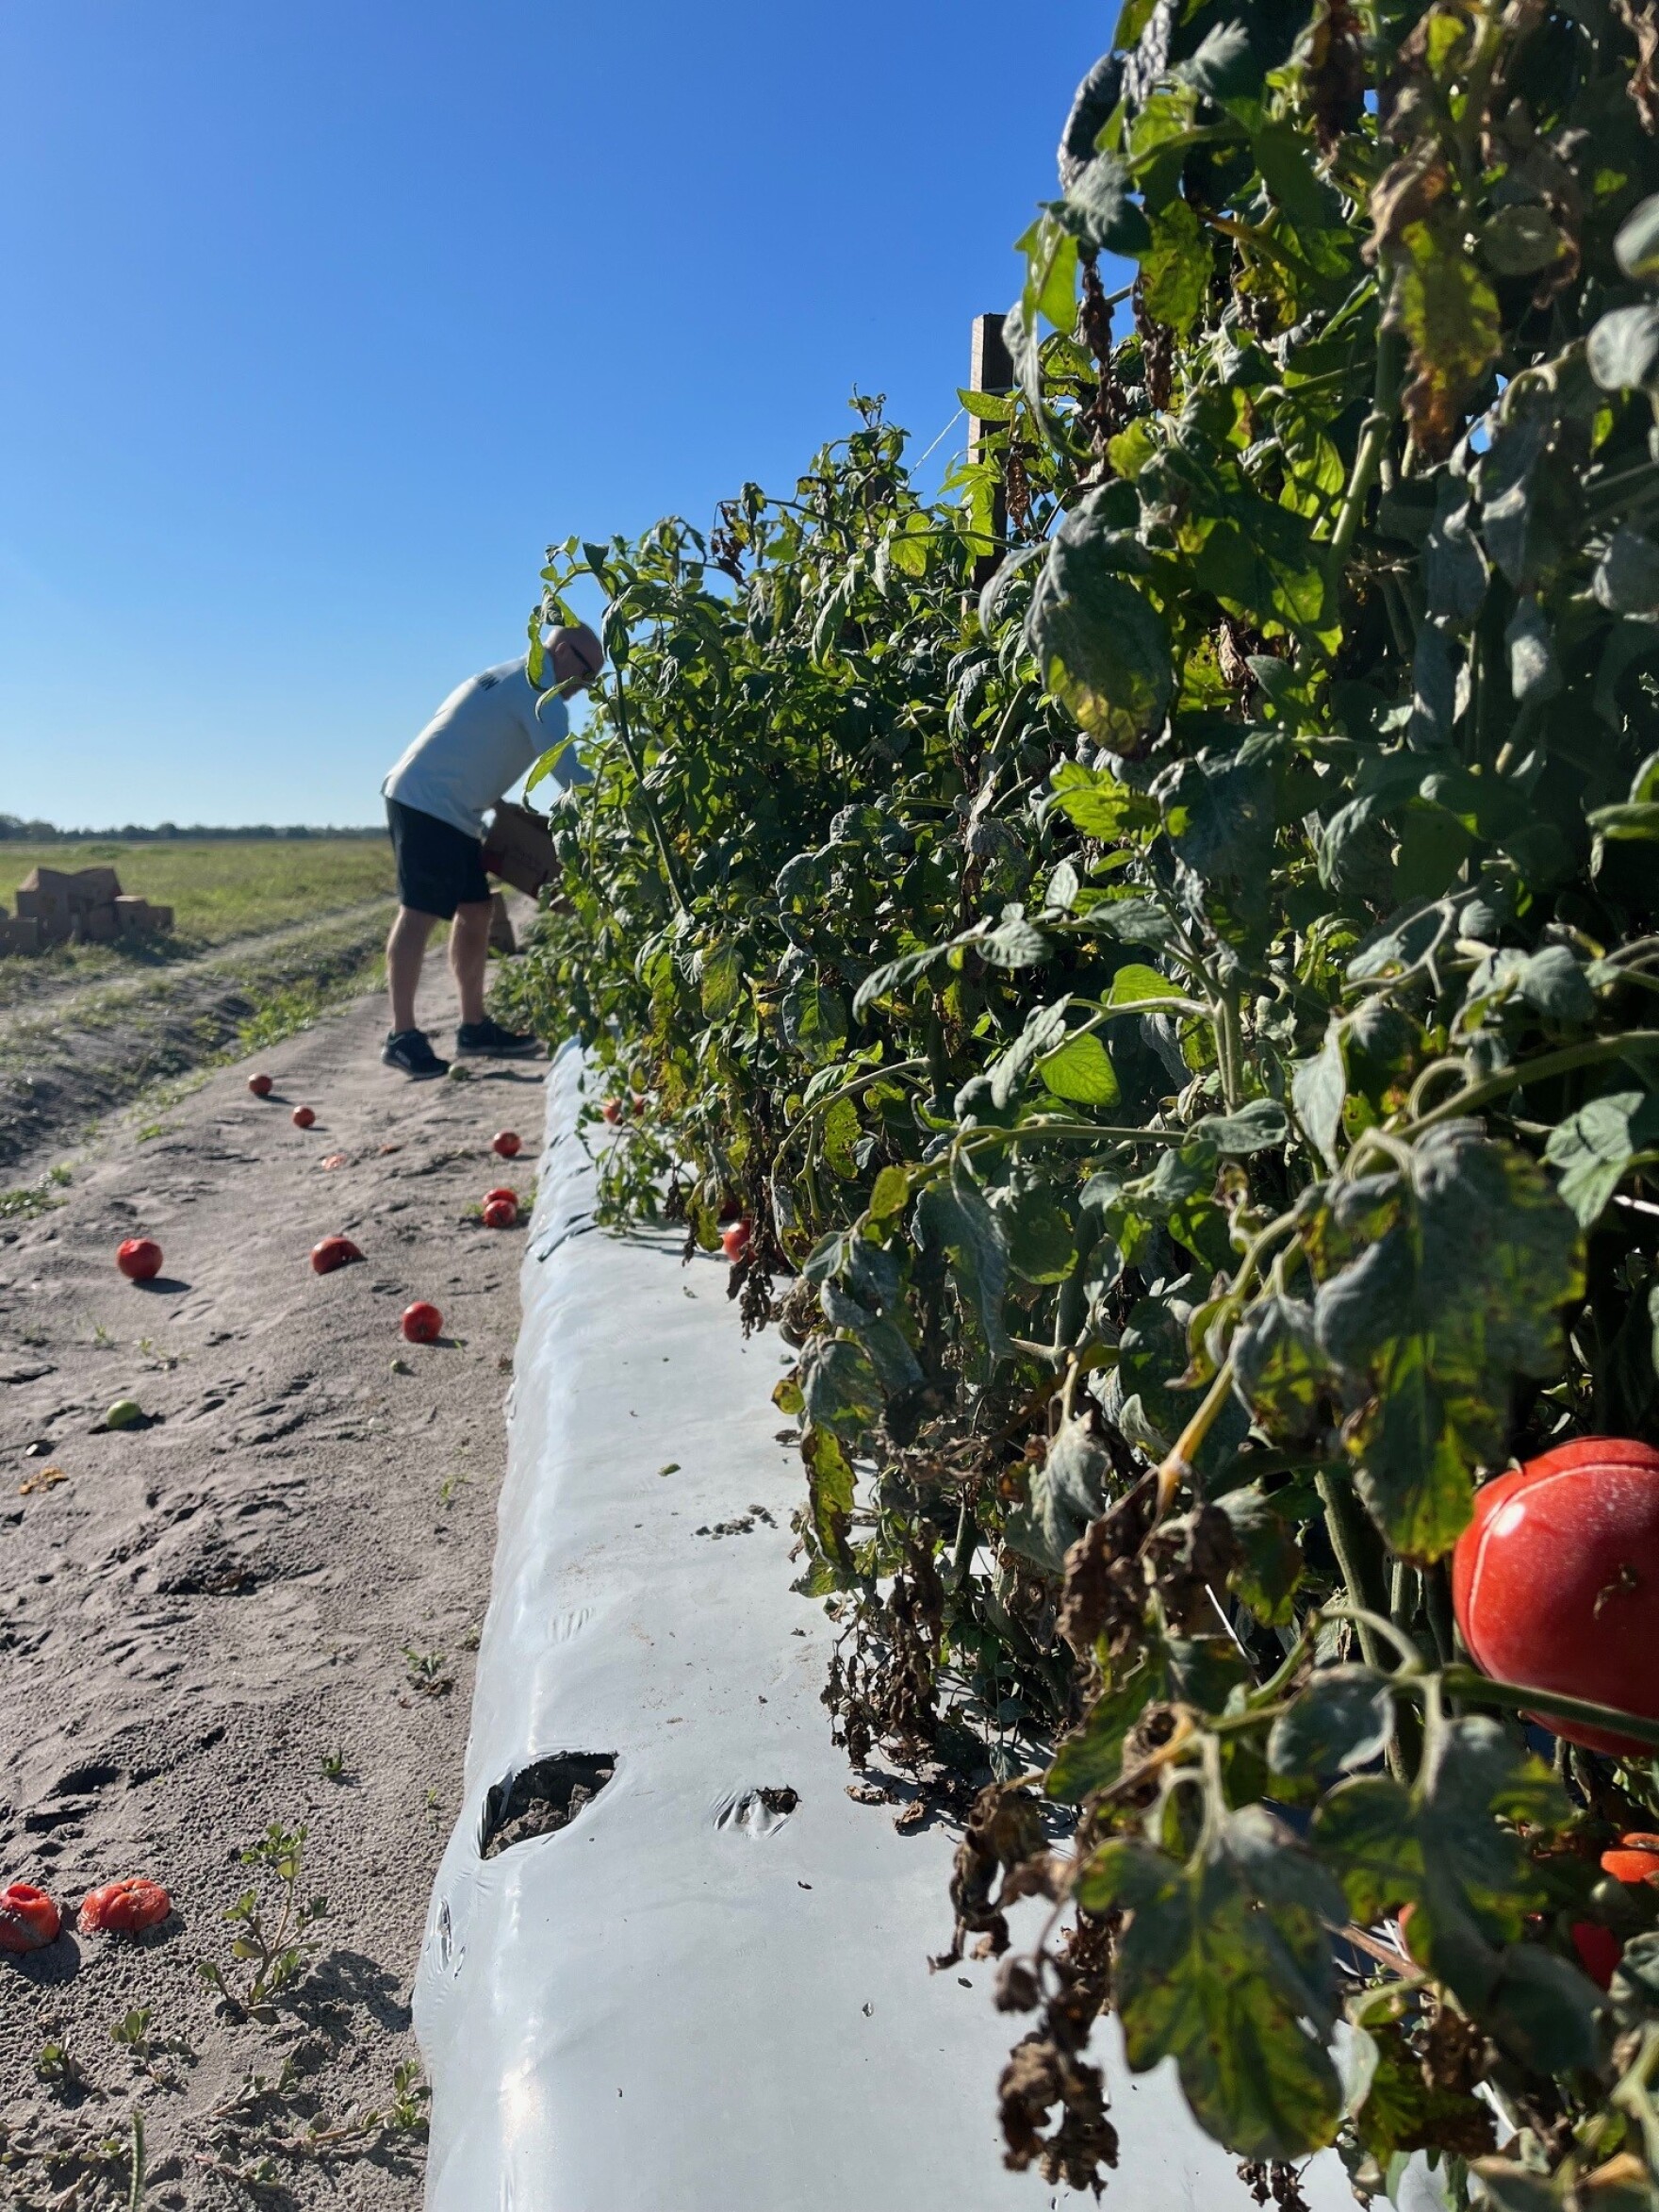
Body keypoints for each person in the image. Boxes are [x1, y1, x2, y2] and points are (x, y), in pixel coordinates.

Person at [378, 623, 603, 1078]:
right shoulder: (541, 695)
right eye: (587, 675)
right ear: (561, 652)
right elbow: (568, 773)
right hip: (430, 801)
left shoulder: (509, 675)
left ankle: (474, 1027)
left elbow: (473, 739)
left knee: (477, 911)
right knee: (418, 912)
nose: (585, 689)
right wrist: (621, 808)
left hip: (451, 807)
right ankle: (402, 1036)